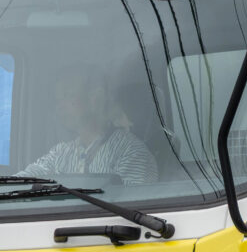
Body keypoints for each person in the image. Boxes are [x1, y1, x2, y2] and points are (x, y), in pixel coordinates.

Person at [25, 76, 154, 184]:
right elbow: (22, 182)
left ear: (96, 98)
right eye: (57, 100)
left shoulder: (130, 151)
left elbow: (133, 209)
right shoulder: (60, 153)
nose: (59, 106)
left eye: (67, 96)